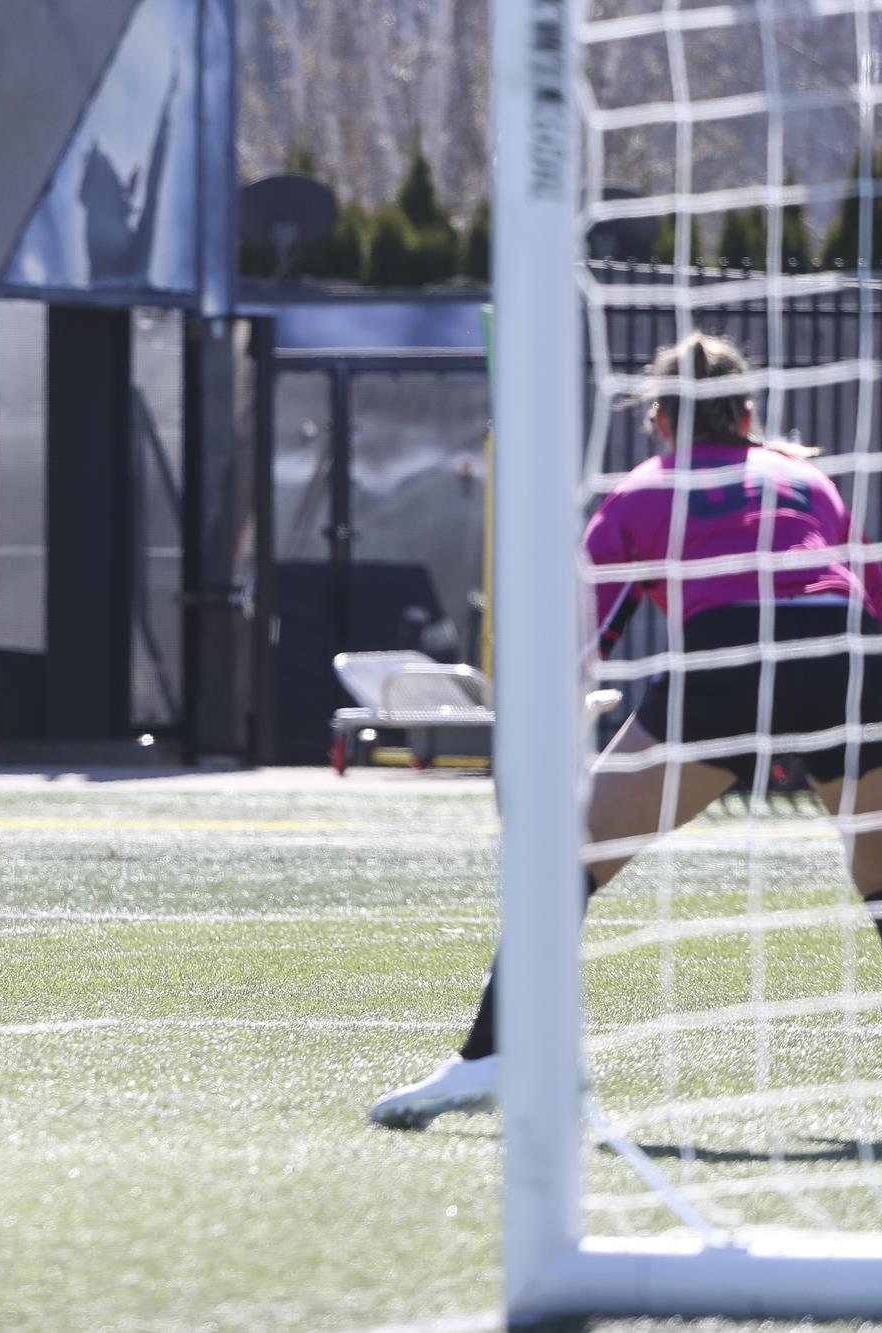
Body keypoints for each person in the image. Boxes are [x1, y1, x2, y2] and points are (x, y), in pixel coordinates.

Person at [371, 330, 882, 1128]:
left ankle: (491, 1057)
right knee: (878, 874)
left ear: (660, 421)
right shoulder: (808, 480)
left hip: (728, 660)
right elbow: (869, 591)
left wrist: (552, 712)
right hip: (846, 655)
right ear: (746, 413)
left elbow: (584, 637)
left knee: (565, 861)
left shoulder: (643, 488)